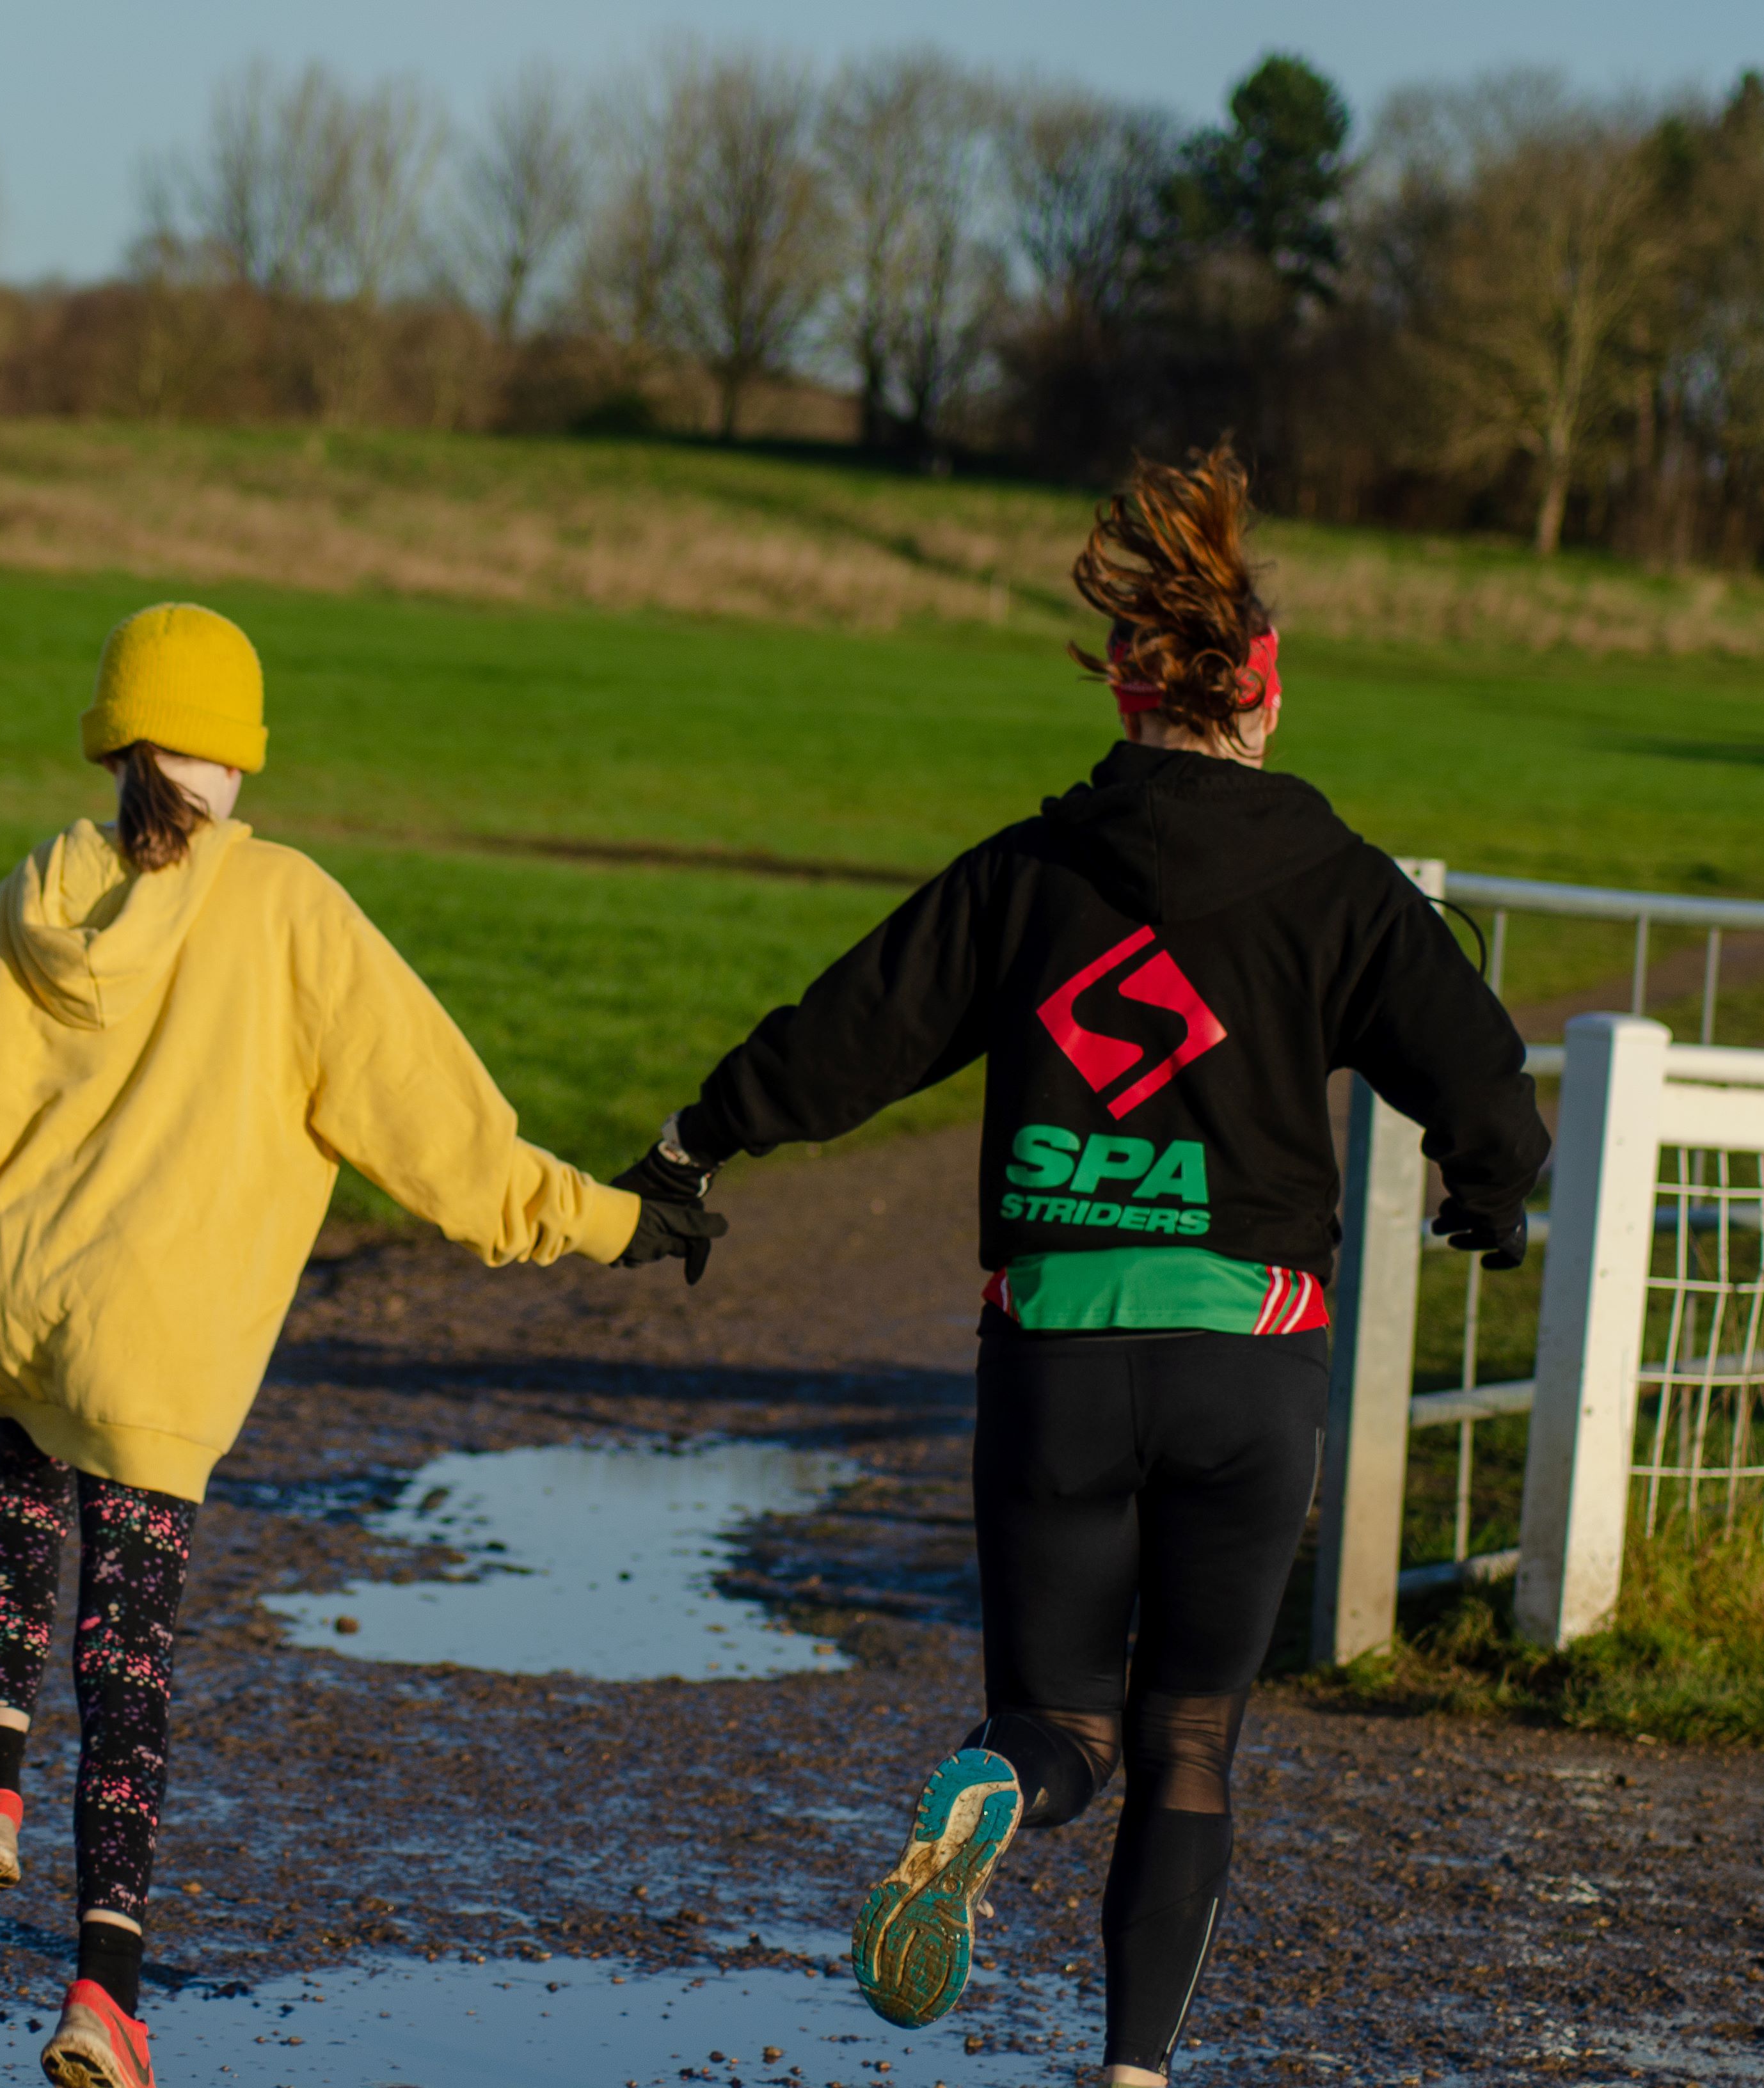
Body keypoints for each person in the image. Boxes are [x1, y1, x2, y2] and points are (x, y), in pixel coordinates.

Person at [614, 447, 1548, 2087]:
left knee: (1066, 1725)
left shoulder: (1030, 871)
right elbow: (1480, 1074)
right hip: (1246, 1359)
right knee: (1190, 1739)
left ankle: (1003, 1786)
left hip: (1050, 1349)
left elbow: (856, 1030)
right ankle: (1132, 2074)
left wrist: (698, 1141)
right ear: (1267, 701)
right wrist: (1496, 1190)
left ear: (1127, 702)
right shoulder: (1340, 889)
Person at [0, 601, 723, 2088]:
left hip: (17, 1295)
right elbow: (451, 1143)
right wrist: (611, 1221)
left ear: (114, 741)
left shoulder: (28, 895)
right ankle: (104, 1992)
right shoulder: (291, 911)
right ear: (239, 762)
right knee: (130, 1649)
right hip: (163, 1346)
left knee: (21, 1473)